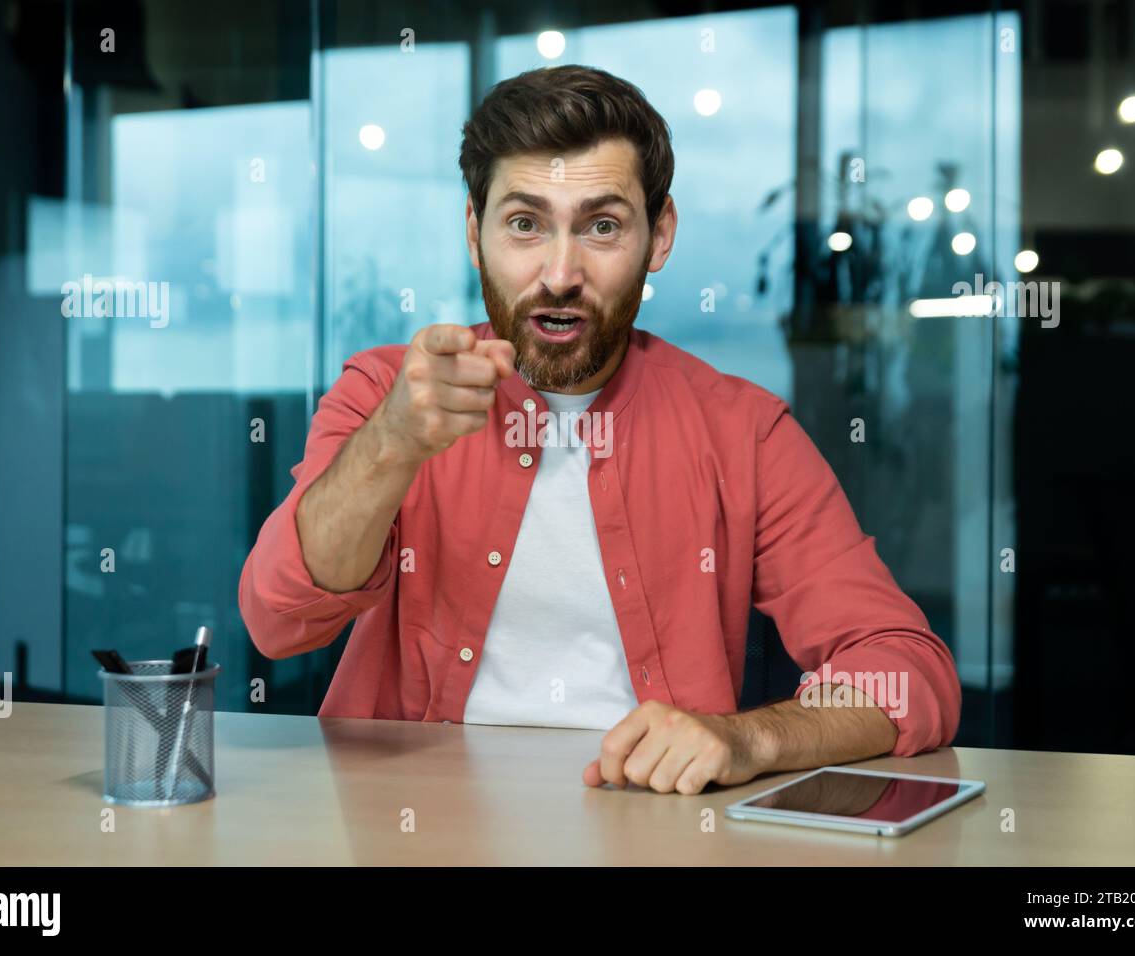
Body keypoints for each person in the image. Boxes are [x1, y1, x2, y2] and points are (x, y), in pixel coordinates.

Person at [240, 65, 960, 795]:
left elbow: (909, 671)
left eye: (602, 226)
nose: (559, 272)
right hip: (412, 827)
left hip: (654, 829)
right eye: (525, 223)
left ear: (661, 235)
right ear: (473, 231)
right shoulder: (386, 396)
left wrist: (750, 737)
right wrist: (391, 445)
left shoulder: (743, 433)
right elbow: (276, 622)